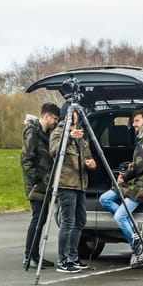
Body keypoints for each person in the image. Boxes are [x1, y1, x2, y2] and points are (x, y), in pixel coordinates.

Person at [98, 109, 143, 268]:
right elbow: (139, 163)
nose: (133, 125)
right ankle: (134, 229)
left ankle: (137, 246)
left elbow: (141, 165)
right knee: (104, 199)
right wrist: (128, 172)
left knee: (120, 217)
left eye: (136, 121)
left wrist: (124, 176)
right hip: (135, 182)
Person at [50, 106, 97, 273]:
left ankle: (73, 256)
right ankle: (63, 260)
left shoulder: (81, 134)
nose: (77, 116)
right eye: (75, 113)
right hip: (66, 183)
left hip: (81, 183)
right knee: (67, 221)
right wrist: (68, 137)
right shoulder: (58, 132)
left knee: (80, 221)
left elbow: (88, 155)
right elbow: (54, 150)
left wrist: (91, 163)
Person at [20, 102, 60, 269]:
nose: (56, 122)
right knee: (38, 219)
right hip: (36, 185)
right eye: (55, 119)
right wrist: (35, 180)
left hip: (46, 184)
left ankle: (36, 255)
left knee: (41, 219)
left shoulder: (47, 134)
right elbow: (26, 160)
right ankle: (29, 256)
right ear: (47, 116)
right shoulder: (32, 133)